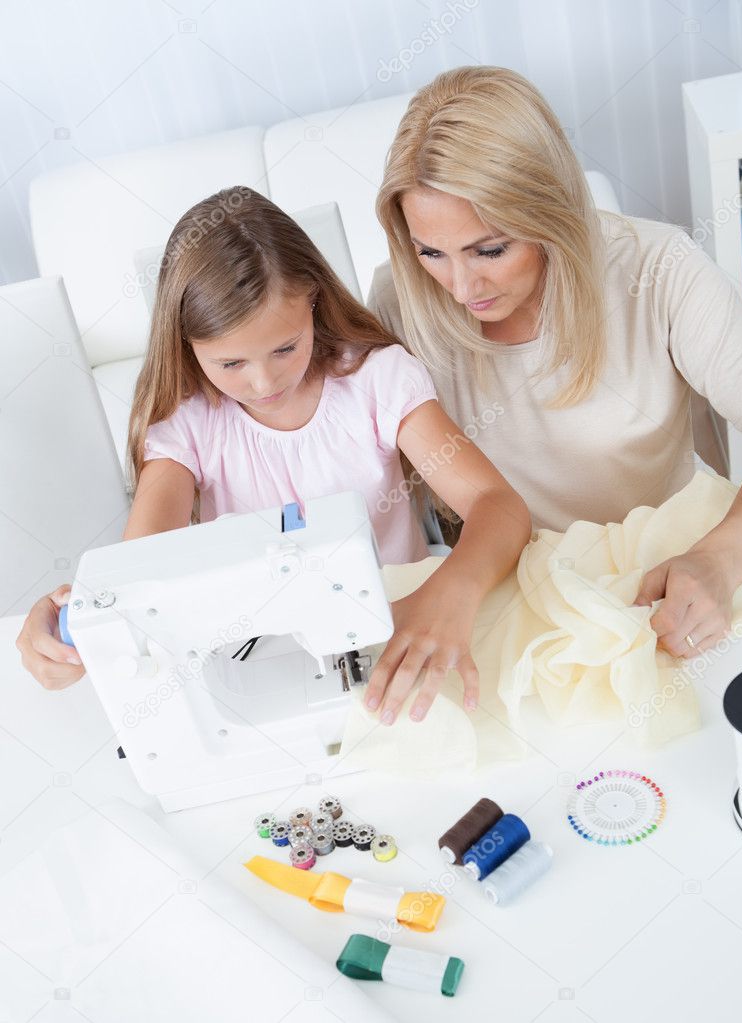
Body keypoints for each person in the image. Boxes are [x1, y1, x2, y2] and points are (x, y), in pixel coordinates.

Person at [16, 186, 531, 725]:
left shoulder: (376, 381)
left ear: (313, 299)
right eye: (231, 363)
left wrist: (448, 593)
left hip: (395, 630)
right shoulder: (187, 425)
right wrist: (66, 623)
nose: (264, 383)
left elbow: (498, 504)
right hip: (258, 662)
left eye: (285, 348)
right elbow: (137, 568)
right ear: (187, 345)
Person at [368, 64, 742, 672]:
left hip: (668, 584)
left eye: (490, 249)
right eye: (432, 252)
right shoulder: (398, 303)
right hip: (513, 612)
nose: (459, 285)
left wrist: (722, 558)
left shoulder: (657, 270)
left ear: (548, 212)